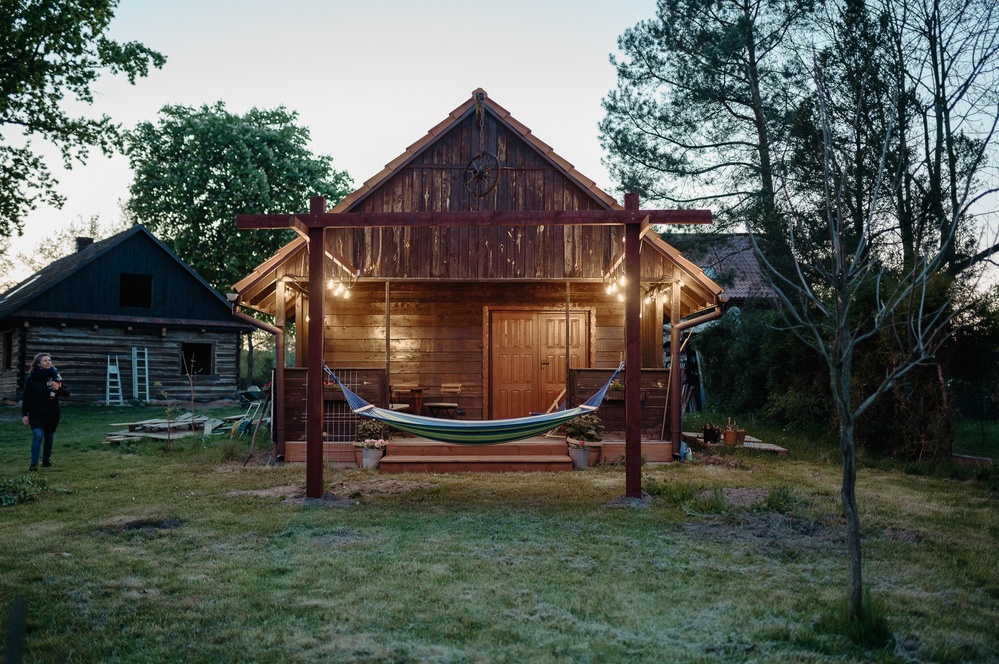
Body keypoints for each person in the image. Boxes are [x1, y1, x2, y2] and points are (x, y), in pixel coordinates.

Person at [21, 353, 69, 471]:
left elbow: (67, 393)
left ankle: (46, 461)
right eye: (45, 361)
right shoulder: (32, 378)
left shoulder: (56, 376)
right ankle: (34, 464)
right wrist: (24, 414)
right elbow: (26, 397)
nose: (48, 362)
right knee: (38, 436)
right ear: (38, 364)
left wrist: (58, 388)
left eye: (49, 360)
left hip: (52, 413)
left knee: (49, 437)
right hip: (36, 413)